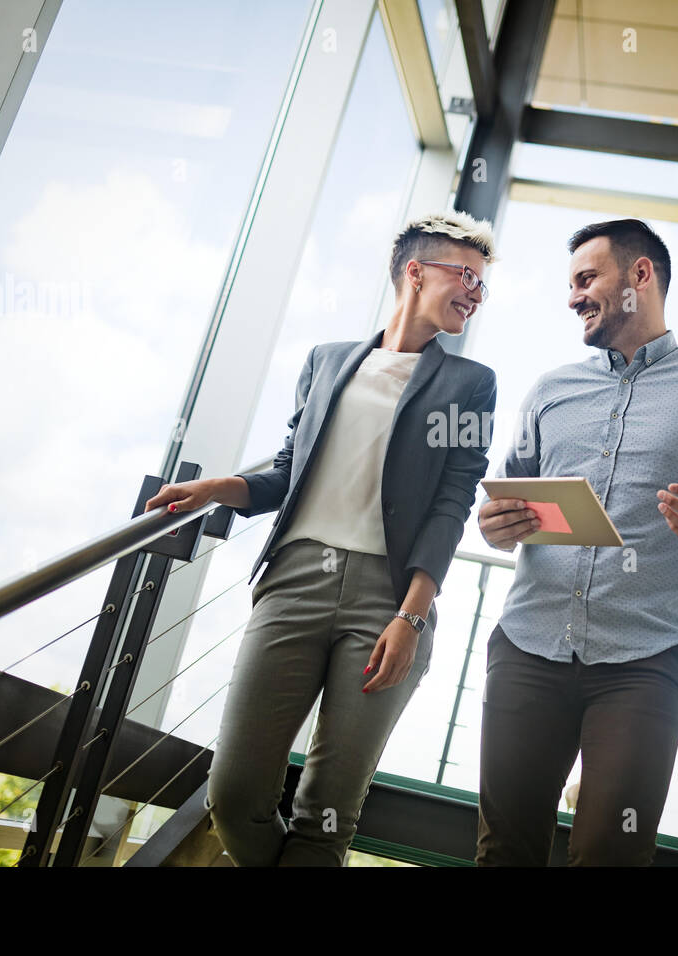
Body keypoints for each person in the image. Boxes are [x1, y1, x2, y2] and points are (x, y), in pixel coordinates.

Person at [142, 212, 498, 865]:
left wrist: (411, 618)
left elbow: (452, 503)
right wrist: (217, 487)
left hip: (387, 602)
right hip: (292, 584)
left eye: (483, 280)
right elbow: (287, 471)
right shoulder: (327, 361)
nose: (477, 290)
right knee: (234, 793)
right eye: (465, 274)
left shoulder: (469, 384)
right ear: (414, 272)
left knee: (325, 816)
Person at [475, 218, 678, 866]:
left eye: (586, 279)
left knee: (612, 855)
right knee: (503, 852)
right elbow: (507, 500)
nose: (573, 297)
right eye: (571, 284)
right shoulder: (550, 390)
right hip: (528, 645)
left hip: (644, 664)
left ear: (640, 276)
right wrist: (494, 527)